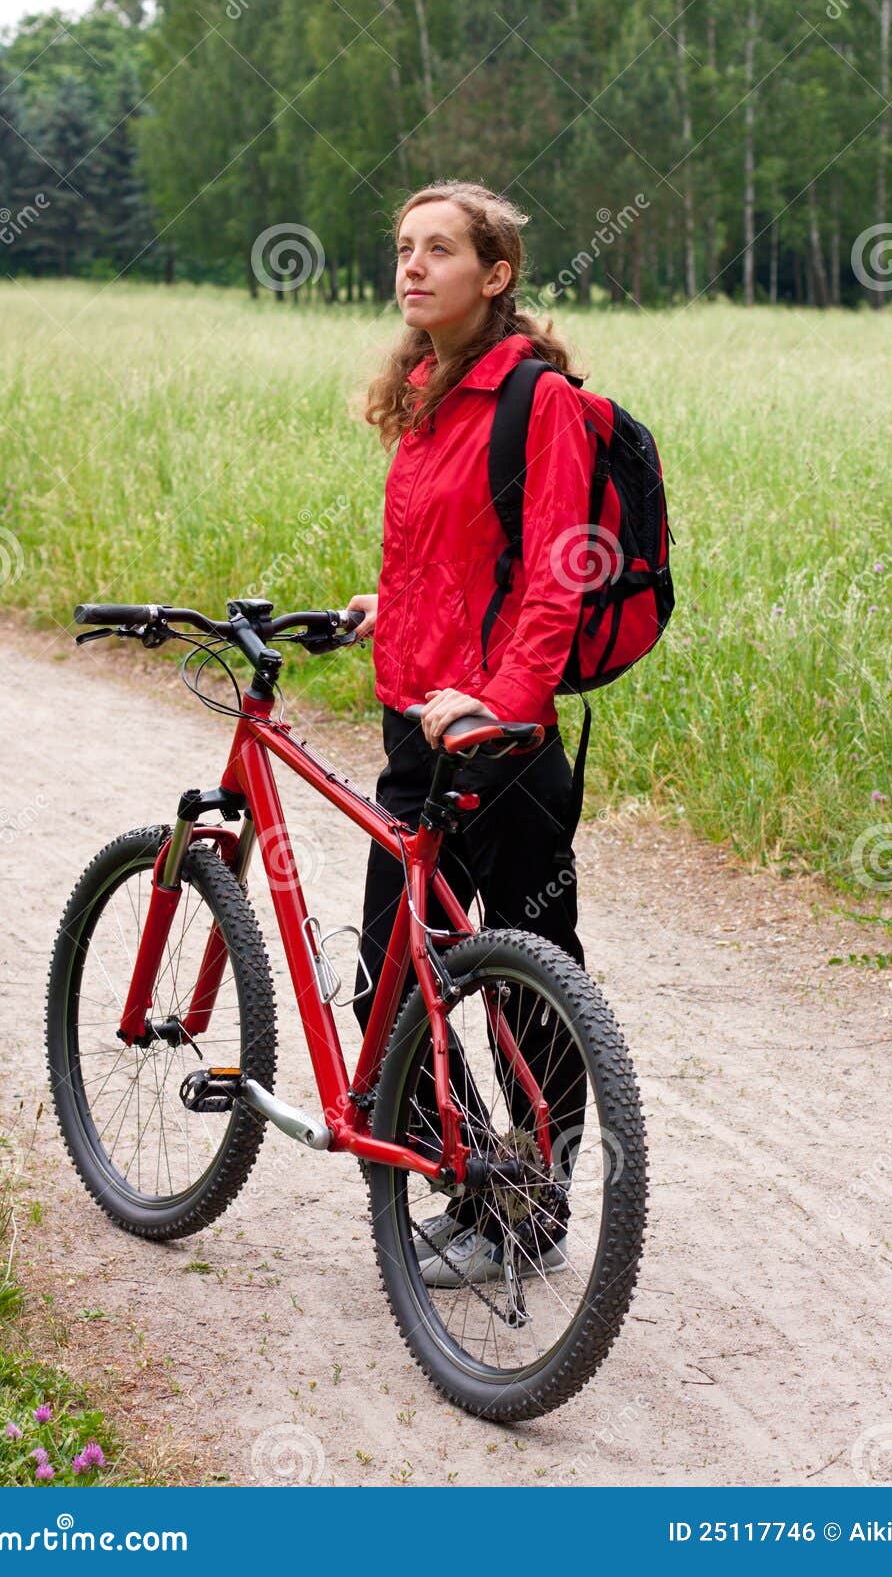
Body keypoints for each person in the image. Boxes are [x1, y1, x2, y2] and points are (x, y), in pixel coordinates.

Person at [346, 179, 593, 1285]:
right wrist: (380, 611)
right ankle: (476, 1186)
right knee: (387, 975)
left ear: (493, 275)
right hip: (418, 727)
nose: (411, 266)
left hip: (500, 739)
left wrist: (505, 705)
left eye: (437, 249)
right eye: (403, 248)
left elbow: (554, 571)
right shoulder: (428, 392)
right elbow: (446, 561)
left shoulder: (534, 399)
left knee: (520, 982)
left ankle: (533, 1211)